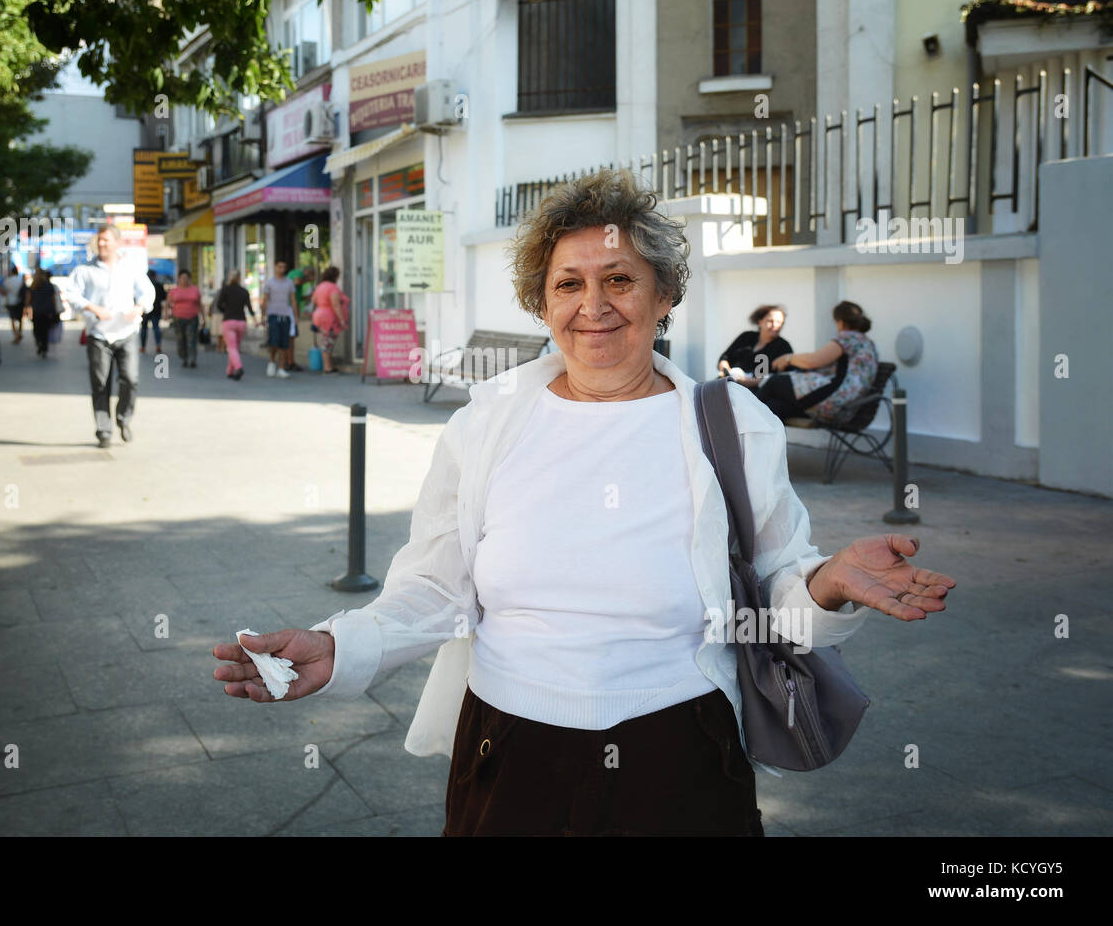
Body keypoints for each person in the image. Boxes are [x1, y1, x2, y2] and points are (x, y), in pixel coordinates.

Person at [211, 168, 955, 837]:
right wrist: (341, 647)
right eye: (569, 284)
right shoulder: (486, 426)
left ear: (663, 296)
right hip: (508, 756)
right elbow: (435, 589)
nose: (593, 306)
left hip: (682, 757)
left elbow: (775, 593)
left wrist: (828, 585)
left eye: (620, 280)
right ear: (542, 302)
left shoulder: (730, 422)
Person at [59, 225, 156, 447]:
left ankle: (123, 418)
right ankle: (104, 429)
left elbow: (147, 291)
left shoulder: (130, 268)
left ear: (117, 243)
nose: (101, 244)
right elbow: (72, 294)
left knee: (130, 379)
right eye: (99, 240)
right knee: (100, 383)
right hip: (99, 335)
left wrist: (139, 308)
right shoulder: (85, 270)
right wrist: (92, 308)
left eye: (106, 240)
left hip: (127, 332)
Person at [756, 301, 879, 423]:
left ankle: (741, 426)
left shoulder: (848, 338)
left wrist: (788, 359)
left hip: (835, 402)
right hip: (847, 407)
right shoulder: (867, 343)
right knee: (775, 406)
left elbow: (814, 361)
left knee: (774, 382)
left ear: (840, 322)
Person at [717, 305, 792, 384]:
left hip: (758, 393)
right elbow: (724, 358)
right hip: (728, 383)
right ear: (760, 321)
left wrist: (745, 381)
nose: (775, 325)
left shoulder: (784, 347)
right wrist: (726, 370)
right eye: (770, 321)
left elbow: (780, 378)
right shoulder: (746, 337)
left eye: (779, 322)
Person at [214, 270, 256, 381]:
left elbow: (219, 304)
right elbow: (250, 309)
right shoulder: (244, 291)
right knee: (235, 348)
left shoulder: (226, 289)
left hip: (229, 321)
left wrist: (226, 311)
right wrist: (255, 319)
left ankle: (238, 367)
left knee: (231, 347)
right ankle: (230, 371)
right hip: (241, 321)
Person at [260, 259, 298, 379]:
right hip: (273, 314)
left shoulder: (289, 282)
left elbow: (293, 300)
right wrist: (263, 316)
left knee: (284, 342)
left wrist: (296, 317)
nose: (282, 269)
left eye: (284, 267)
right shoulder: (269, 283)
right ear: (275, 267)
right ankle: (272, 361)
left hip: (285, 314)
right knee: (274, 340)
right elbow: (265, 300)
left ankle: (281, 367)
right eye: (279, 267)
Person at [310, 266, 349, 374]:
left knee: (327, 340)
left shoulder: (320, 286)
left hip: (319, 315)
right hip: (329, 318)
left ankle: (329, 365)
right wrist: (342, 320)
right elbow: (336, 304)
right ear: (335, 276)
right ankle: (327, 367)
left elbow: (313, 300)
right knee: (327, 342)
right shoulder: (332, 288)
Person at [165, 268, 202, 368]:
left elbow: (200, 304)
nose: (184, 280)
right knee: (181, 340)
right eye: (182, 278)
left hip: (192, 318)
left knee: (191, 339)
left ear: (189, 279)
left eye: (186, 278)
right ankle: (184, 358)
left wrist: (204, 317)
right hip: (178, 318)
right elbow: (167, 304)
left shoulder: (195, 290)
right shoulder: (174, 291)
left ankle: (192, 358)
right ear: (179, 279)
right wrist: (166, 314)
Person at [284, 265, 316, 371]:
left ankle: (288, 361)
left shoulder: (297, 276)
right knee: (291, 336)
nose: (310, 279)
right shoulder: (298, 274)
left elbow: (297, 296)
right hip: (289, 310)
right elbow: (297, 282)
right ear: (307, 272)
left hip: (291, 309)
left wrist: (308, 297)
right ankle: (289, 361)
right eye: (311, 276)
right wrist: (307, 280)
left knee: (291, 336)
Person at [26, 268, 62, 358]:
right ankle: (44, 348)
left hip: (36, 311)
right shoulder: (49, 285)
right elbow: (53, 299)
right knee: (45, 330)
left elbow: (28, 300)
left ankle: (39, 343)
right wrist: (54, 310)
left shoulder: (33, 286)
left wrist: (27, 309)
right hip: (47, 311)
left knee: (36, 330)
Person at [140, 270, 166, 355]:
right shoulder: (159, 285)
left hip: (145, 311)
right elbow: (163, 297)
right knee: (156, 328)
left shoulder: (142, 286)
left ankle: (143, 347)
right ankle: (158, 345)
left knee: (144, 329)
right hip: (155, 310)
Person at [6, 265, 29, 344]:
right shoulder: (21, 280)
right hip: (20, 302)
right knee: (20, 319)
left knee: (12, 319)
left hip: (11, 302)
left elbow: (5, 291)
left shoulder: (8, 280)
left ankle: (15, 335)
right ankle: (19, 333)